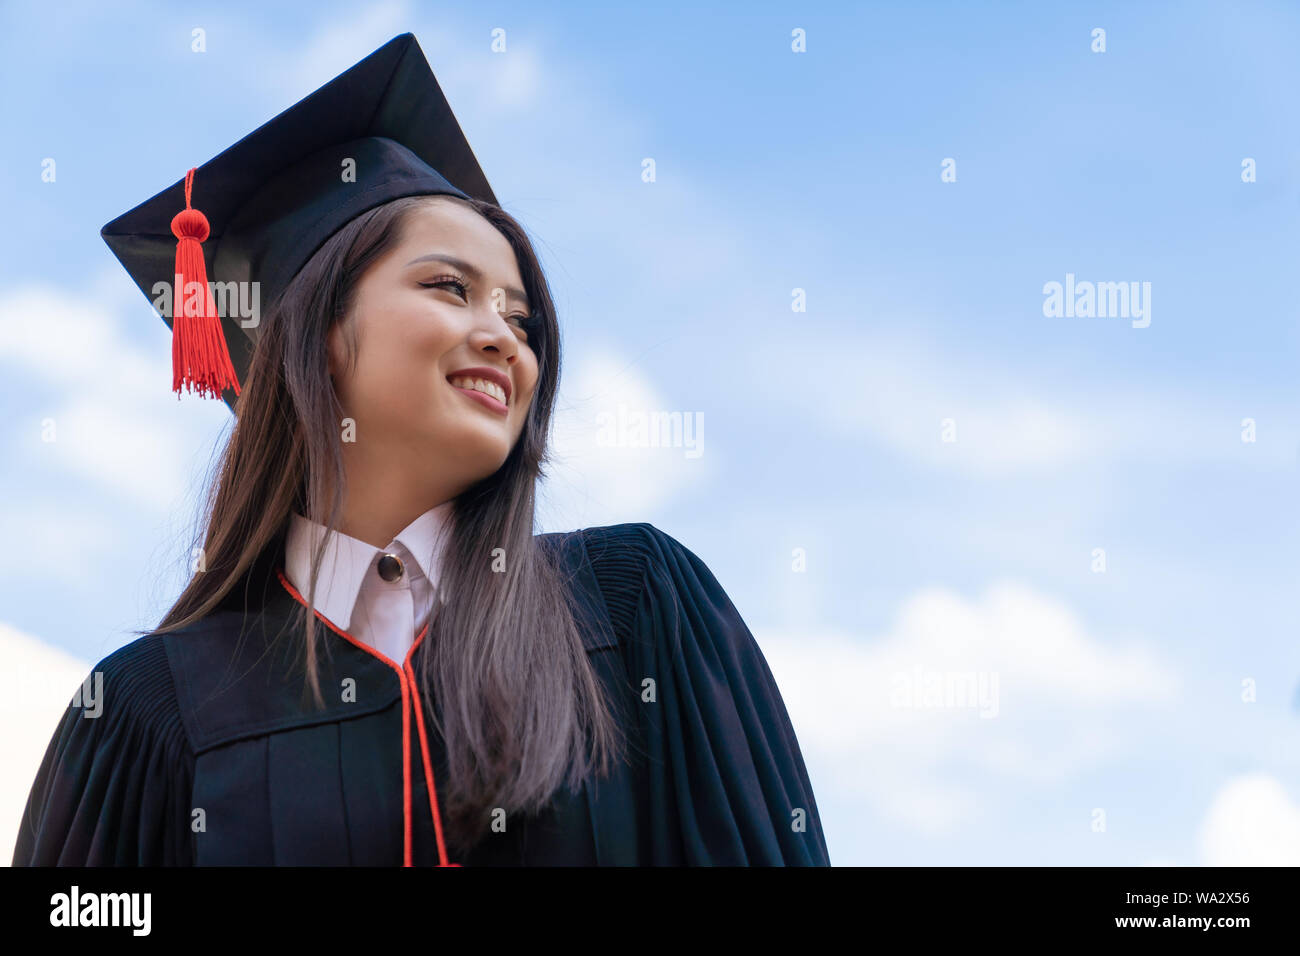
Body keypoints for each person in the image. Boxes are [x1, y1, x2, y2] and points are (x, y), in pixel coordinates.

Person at [11, 32, 830, 867]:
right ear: (314, 331)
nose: (505, 341)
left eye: (522, 319)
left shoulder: (635, 608)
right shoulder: (150, 713)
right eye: (451, 288)